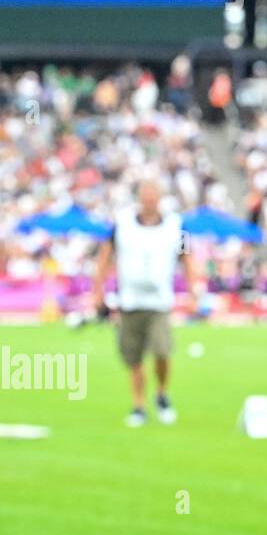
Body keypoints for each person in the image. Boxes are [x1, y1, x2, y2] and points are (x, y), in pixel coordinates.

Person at [93, 178, 200, 427]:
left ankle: (162, 393)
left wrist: (194, 292)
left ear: (159, 198)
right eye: (146, 195)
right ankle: (139, 405)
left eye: (153, 196)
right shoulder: (121, 224)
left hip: (160, 301)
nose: (149, 200)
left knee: (162, 351)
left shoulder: (177, 226)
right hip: (129, 300)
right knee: (134, 357)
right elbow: (105, 257)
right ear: (140, 198)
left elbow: (187, 258)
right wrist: (97, 290)